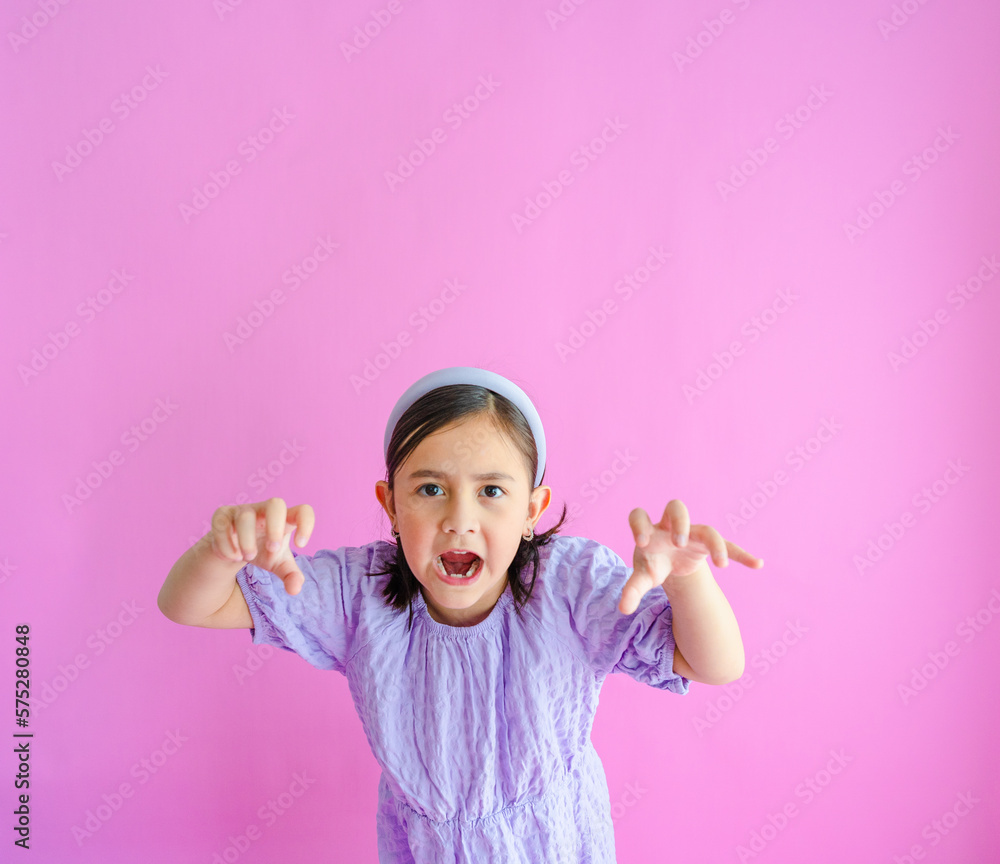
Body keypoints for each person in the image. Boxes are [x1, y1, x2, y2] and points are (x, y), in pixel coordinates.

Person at [157, 366, 763, 863]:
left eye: (492, 491)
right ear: (390, 504)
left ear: (533, 508)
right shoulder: (357, 593)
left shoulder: (568, 585)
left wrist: (687, 579)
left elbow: (715, 664)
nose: (459, 518)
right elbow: (189, 604)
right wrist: (221, 551)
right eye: (429, 489)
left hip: (556, 847)